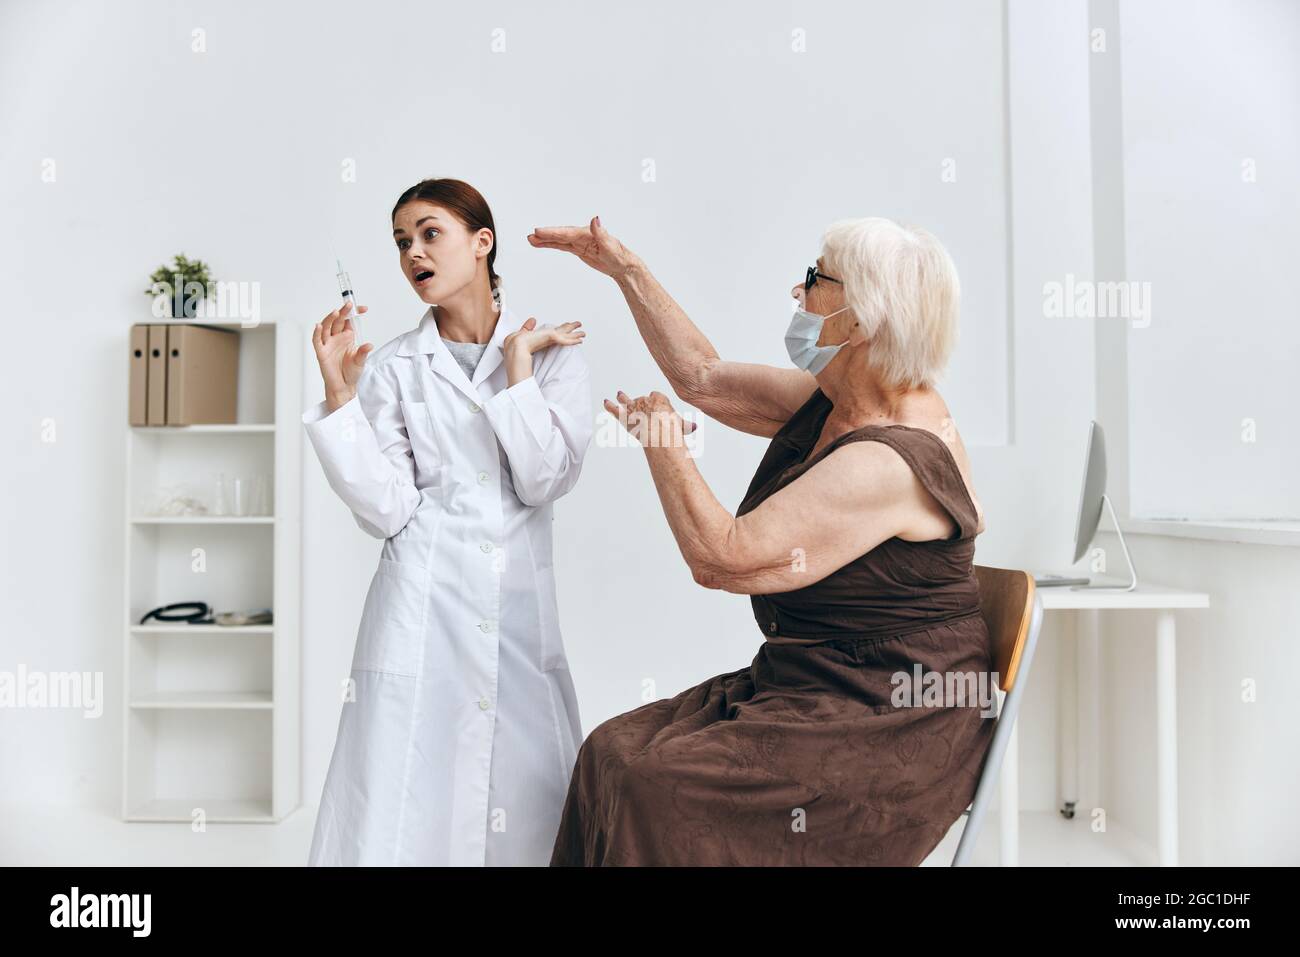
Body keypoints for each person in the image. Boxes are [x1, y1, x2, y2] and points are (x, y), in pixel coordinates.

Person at [528, 215, 993, 866]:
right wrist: (626, 269)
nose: (797, 294)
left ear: (859, 322)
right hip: (813, 676)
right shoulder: (842, 400)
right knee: (611, 750)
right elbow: (702, 377)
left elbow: (722, 557)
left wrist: (665, 447)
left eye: (815, 278)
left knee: (652, 786)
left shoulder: (891, 458)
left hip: (887, 713)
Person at [303, 179, 592, 865]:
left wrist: (517, 372)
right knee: (407, 790)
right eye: (402, 241)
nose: (413, 253)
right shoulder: (397, 365)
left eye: (430, 233)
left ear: (481, 242)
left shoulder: (552, 351)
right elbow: (387, 508)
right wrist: (340, 395)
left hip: (514, 607)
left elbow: (545, 477)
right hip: (422, 602)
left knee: (527, 792)